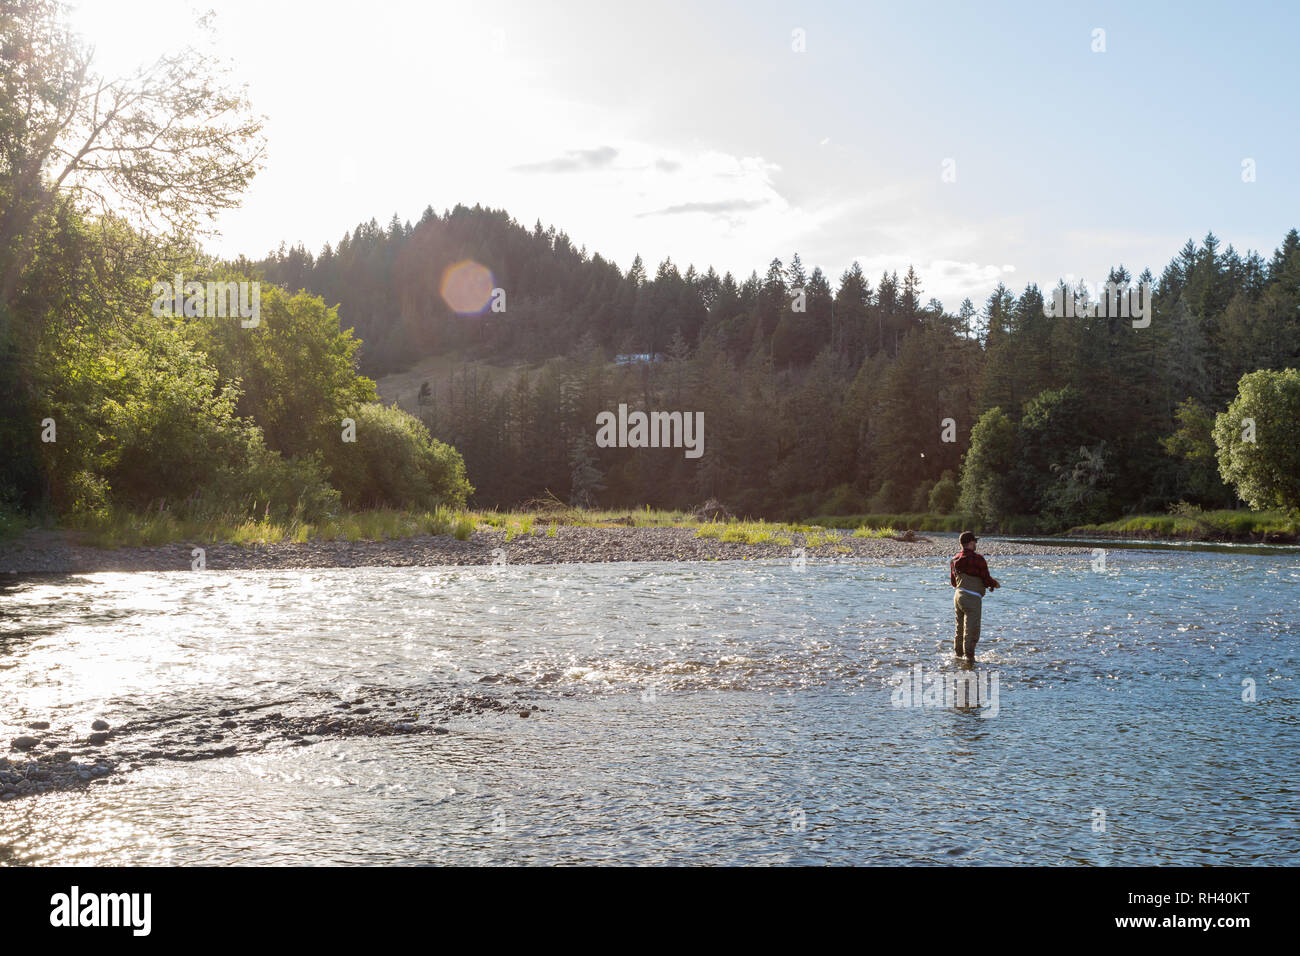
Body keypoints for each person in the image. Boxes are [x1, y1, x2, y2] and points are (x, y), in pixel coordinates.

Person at [949, 531, 999, 661]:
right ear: (971, 543)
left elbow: (953, 583)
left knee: (959, 629)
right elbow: (986, 579)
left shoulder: (954, 559)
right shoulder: (978, 559)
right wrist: (994, 584)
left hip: (957, 596)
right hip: (972, 599)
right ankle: (969, 659)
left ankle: (958, 656)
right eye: (975, 542)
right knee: (972, 630)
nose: (976, 544)